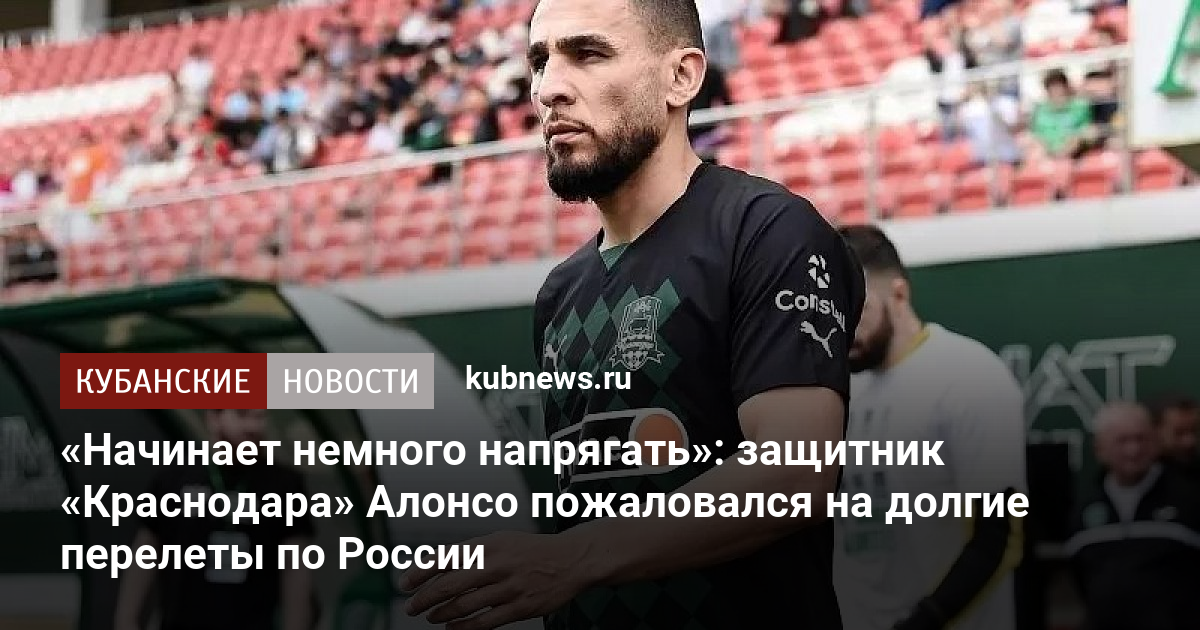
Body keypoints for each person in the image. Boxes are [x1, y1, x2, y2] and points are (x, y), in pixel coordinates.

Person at [400, 0, 866, 629]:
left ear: (682, 77)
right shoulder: (560, 291)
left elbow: (793, 471)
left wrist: (573, 560)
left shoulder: (765, 231)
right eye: (540, 61)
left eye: (588, 54)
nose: (549, 88)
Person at [833, 225, 1027, 630]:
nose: (842, 326)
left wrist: (924, 622)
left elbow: (999, 537)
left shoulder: (969, 375)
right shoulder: (838, 391)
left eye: (854, 308)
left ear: (899, 295)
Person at [113, 409, 315, 630]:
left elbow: (295, 567)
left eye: (260, 417)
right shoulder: (175, 478)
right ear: (213, 418)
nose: (254, 427)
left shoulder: (284, 486)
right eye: (243, 416)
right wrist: (126, 620)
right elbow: (145, 553)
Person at [1065, 402, 1200, 630]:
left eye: (1141, 439)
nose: (1133, 450)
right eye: (1122, 441)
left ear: (1156, 442)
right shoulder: (1083, 512)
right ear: (1099, 449)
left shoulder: (1190, 501)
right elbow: (1081, 578)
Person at [1148, 393, 1200, 474]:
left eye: (1194, 431)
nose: (1189, 441)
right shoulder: (1143, 473)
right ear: (1155, 431)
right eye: (1179, 433)